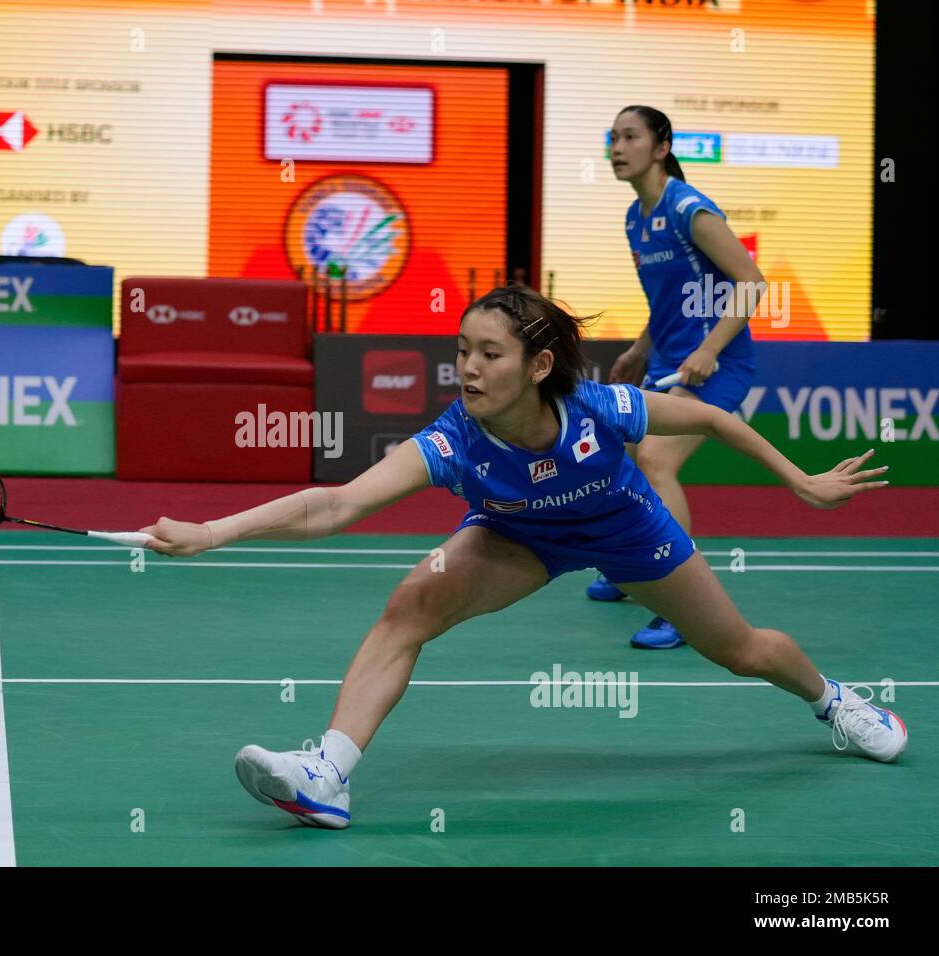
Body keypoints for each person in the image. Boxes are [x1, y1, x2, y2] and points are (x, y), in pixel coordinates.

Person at [139, 285, 905, 830]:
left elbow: (705, 415)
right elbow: (337, 504)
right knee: (411, 603)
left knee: (741, 651)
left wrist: (800, 480)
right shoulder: (456, 437)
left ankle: (832, 700)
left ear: (537, 366)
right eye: (463, 351)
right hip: (519, 535)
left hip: (626, 531)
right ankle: (326, 773)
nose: (469, 368)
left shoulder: (598, 409)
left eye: (490, 353)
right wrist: (212, 532)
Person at [602, 105, 766, 648]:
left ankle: (682, 604)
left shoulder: (689, 210)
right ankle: (633, 563)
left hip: (719, 368)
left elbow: (751, 282)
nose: (617, 148)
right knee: (620, 449)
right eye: (613, 138)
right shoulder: (634, 217)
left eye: (630, 137)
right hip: (670, 367)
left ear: (662, 145)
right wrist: (639, 350)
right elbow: (667, 302)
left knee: (654, 458)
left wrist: (710, 349)